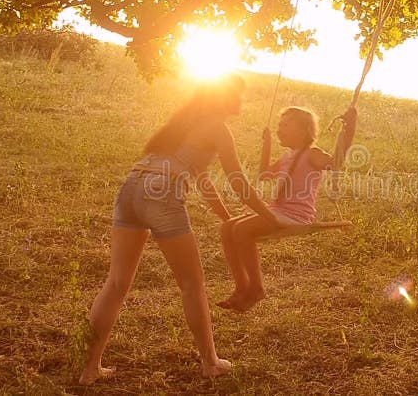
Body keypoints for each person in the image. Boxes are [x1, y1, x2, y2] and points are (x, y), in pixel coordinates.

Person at [79, 74, 283, 385]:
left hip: (131, 187)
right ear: (225, 97)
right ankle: (210, 362)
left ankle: (89, 368)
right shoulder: (217, 128)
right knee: (192, 284)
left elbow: (202, 179)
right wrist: (270, 217)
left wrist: (226, 217)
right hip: (161, 193)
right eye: (239, 93)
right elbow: (238, 182)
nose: (243, 99)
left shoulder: (181, 125)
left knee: (117, 283)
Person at [217, 106, 357, 312]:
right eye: (279, 125)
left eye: (284, 125)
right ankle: (242, 287)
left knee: (241, 230)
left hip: (297, 215)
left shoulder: (313, 154)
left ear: (303, 131)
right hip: (277, 210)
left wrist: (349, 130)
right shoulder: (287, 157)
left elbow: (336, 163)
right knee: (227, 227)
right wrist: (267, 144)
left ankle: (256, 288)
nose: (279, 129)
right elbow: (264, 174)